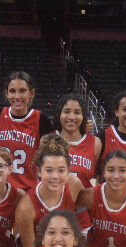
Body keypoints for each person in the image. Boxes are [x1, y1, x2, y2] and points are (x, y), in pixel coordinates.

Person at [15, 133, 85, 247]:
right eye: (49, 170)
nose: (55, 176)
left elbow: (87, 215)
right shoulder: (26, 207)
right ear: (39, 171)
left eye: (61, 170)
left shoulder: (74, 185)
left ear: (68, 171)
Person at [0, 71, 54, 191]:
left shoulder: (41, 119)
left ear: (32, 93)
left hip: (27, 189)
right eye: (12, 91)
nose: (17, 96)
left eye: (22, 91)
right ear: (6, 93)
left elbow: (50, 154)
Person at [53, 94, 101, 233]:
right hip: (52, 215)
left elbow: (95, 175)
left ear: (84, 116)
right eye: (67, 111)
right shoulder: (48, 139)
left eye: (77, 112)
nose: (72, 117)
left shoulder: (95, 143)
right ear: (59, 114)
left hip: (82, 218)